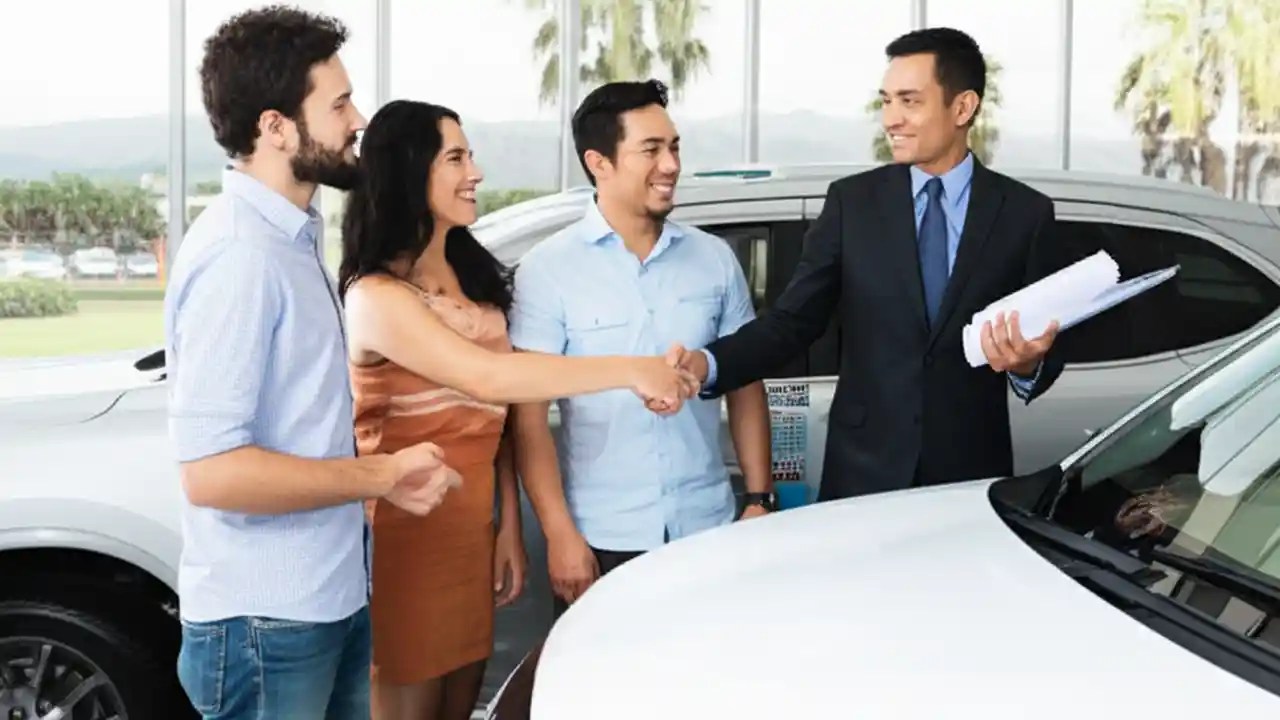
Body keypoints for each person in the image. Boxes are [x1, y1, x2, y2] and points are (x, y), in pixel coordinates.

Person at [338, 98, 699, 720]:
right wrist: (630, 368)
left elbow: (496, 416)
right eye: (456, 157)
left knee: (459, 705)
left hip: (471, 538)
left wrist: (508, 527)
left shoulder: (471, 275)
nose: (475, 172)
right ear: (408, 170)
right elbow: (490, 374)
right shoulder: (376, 297)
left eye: (470, 156)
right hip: (404, 544)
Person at [165, 8, 458, 720]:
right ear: (275, 128)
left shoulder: (290, 240)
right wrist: (383, 475)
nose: (358, 118)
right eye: (338, 104)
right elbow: (213, 472)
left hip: (322, 602)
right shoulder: (241, 256)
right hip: (266, 622)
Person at [673, 27, 1070, 501]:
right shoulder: (852, 204)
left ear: (962, 108)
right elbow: (792, 322)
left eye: (909, 101)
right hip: (862, 475)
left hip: (969, 477)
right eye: (886, 101)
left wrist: (1028, 365)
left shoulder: (1025, 214)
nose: (891, 119)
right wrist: (709, 363)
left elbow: (1052, 348)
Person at [507, 79, 774, 618]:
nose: (671, 164)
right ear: (599, 163)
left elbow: (745, 382)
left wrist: (758, 500)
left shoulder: (714, 259)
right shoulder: (548, 270)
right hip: (605, 536)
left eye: (674, 147)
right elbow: (529, 418)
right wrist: (560, 535)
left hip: (710, 526)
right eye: (651, 150)